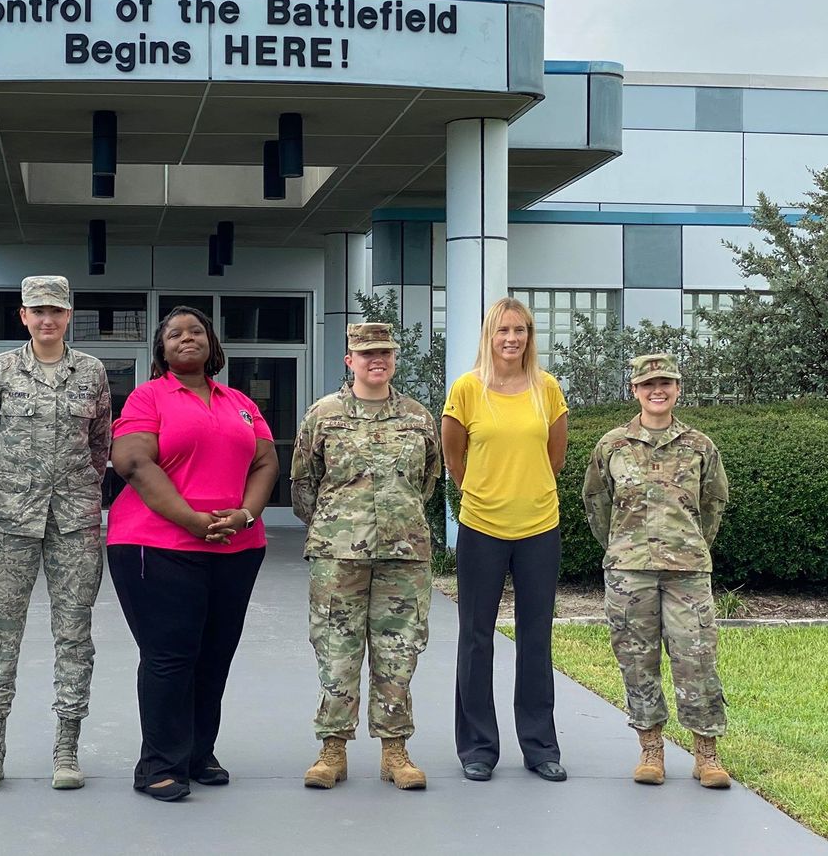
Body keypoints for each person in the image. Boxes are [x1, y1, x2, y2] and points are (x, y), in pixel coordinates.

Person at [107, 305, 279, 802]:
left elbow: (266, 461)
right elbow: (133, 461)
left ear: (212, 344)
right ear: (161, 350)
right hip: (156, 546)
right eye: (175, 333)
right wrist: (192, 520)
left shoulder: (240, 401)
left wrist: (246, 514)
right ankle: (159, 764)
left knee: (214, 657)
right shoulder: (149, 397)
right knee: (170, 657)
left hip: (237, 549)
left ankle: (199, 753)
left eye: (196, 331)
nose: (187, 338)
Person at [0, 275, 111, 792]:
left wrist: (79, 497)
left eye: (56, 310)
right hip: (10, 521)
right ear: (22, 316)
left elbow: (100, 446)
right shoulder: (1, 371)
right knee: (1, 636)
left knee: (75, 635)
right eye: (37, 311)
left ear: (69, 315)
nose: (47, 319)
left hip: (74, 523)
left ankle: (67, 748)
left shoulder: (91, 372)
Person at [291, 323, 441, 791]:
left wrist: (395, 521)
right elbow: (302, 484)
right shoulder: (324, 414)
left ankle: (395, 751)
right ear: (349, 359)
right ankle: (332, 749)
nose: (378, 360)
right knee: (337, 653)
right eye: (367, 353)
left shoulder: (418, 418)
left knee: (398, 655)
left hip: (403, 556)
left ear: (395, 359)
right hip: (338, 556)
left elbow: (428, 480)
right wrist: (340, 525)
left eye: (386, 353)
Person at [582, 353, 731, 788]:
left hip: (687, 571)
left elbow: (713, 503)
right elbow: (596, 502)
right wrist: (619, 546)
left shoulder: (701, 446)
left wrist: (692, 543)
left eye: (665, 383)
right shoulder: (612, 446)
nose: (657, 390)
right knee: (636, 657)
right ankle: (651, 749)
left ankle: (707, 753)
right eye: (648, 385)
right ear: (634, 390)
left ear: (678, 389)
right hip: (630, 572)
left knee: (696, 657)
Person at [441, 296, 569, 783]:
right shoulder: (467, 390)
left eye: (520, 330)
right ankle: (477, 747)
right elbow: (455, 460)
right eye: (502, 331)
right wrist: (487, 492)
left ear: (529, 337)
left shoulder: (547, 390)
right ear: (489, 336)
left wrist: (523, 490)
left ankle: (540, 747)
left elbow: (554, 459)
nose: (511, 339)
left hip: (539, 527)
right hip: (481, 529)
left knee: (536, 639)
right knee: (476, 638)